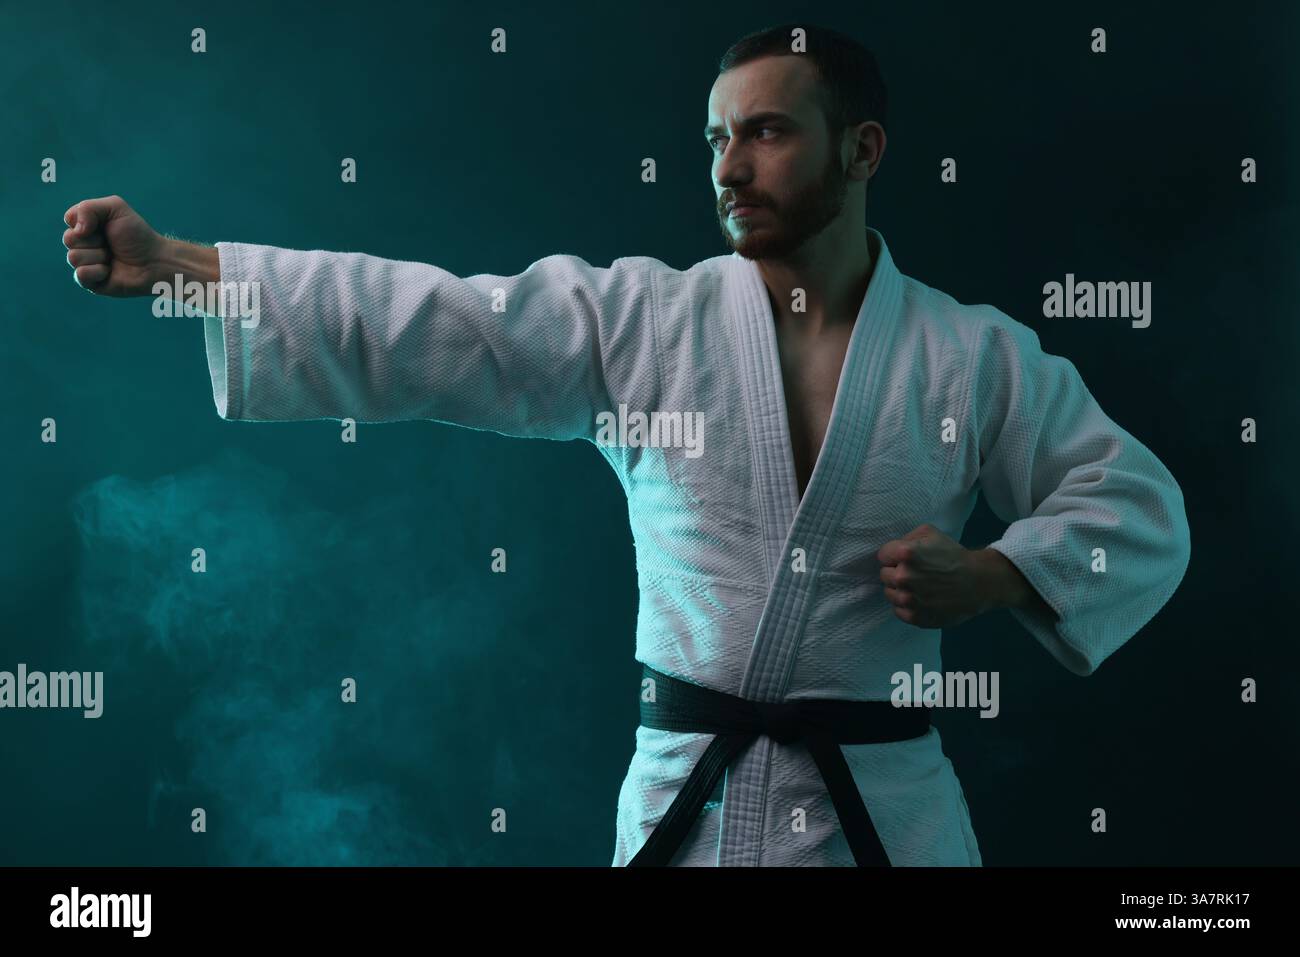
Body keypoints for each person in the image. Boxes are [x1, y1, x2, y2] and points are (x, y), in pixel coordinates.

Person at [59, 23, 1191, 866]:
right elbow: (441, 319)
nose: (727, 167)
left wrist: (994, 574)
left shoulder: (973, 356)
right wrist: (186, 266)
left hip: (883, 826)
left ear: (862, 149)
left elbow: (1136, 507)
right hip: (680, 816)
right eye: (714, 139)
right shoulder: (647, 321)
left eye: (764, 131)